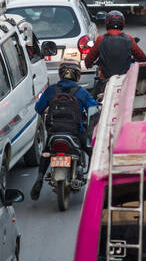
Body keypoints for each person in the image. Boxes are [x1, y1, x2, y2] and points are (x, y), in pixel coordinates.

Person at [31, 51, 99, 200]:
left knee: (46, 153)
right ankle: (96, 183)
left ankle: (39, 180)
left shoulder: (51, 90)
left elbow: (38, 108)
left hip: (54, 132)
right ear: (77, 75)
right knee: (91, 151)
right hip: (75, 133)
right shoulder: (80, 92)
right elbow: (94, 109)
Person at [83, 10, 146, 89]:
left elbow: (88, 61)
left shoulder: (100, 39)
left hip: (105, 81)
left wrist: (89, 65)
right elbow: (142, 58)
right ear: (122, 23)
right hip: (124, 80)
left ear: (107, 23)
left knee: (94, 97)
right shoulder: (129, 39)